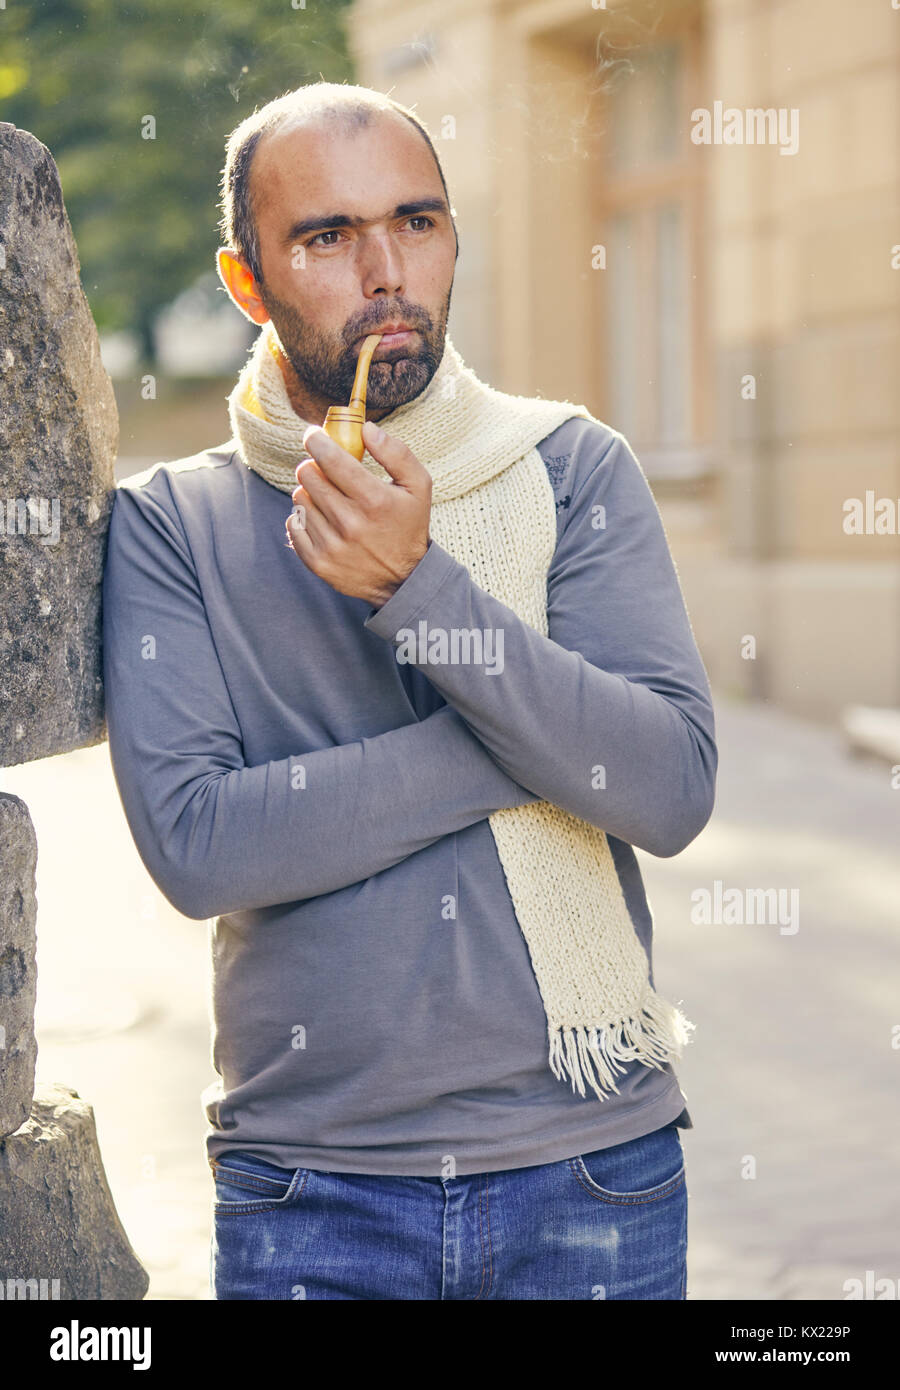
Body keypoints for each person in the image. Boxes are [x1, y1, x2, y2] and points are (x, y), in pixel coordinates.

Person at [101, 82, 717, 1301]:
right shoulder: (174, 524)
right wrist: (531, 731)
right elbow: (199, 847)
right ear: (247, 283)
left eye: (416, 222)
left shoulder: (572, 465)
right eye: (326, 237)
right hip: (312, 1193)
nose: (386, 268)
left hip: (592, 1173)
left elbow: (666, 788)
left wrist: (419, 588)